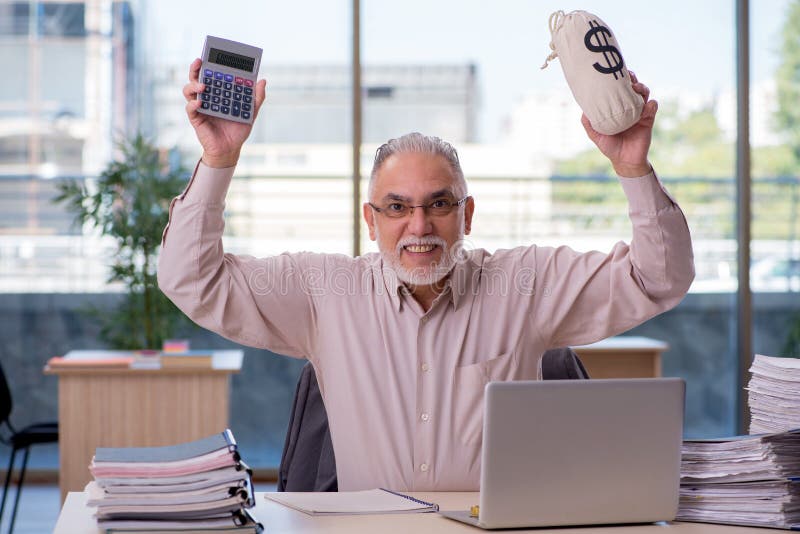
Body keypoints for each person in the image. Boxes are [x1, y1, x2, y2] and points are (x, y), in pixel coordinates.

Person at [158, 58, 694, 492]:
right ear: (370, 221)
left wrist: (632, 167)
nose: (420, 225)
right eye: (397, 207)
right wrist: (219, 160)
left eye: (439, 204)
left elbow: (658, 278)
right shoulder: (324, 294)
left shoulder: (527, 283)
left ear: (467, 215)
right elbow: (191, 280)